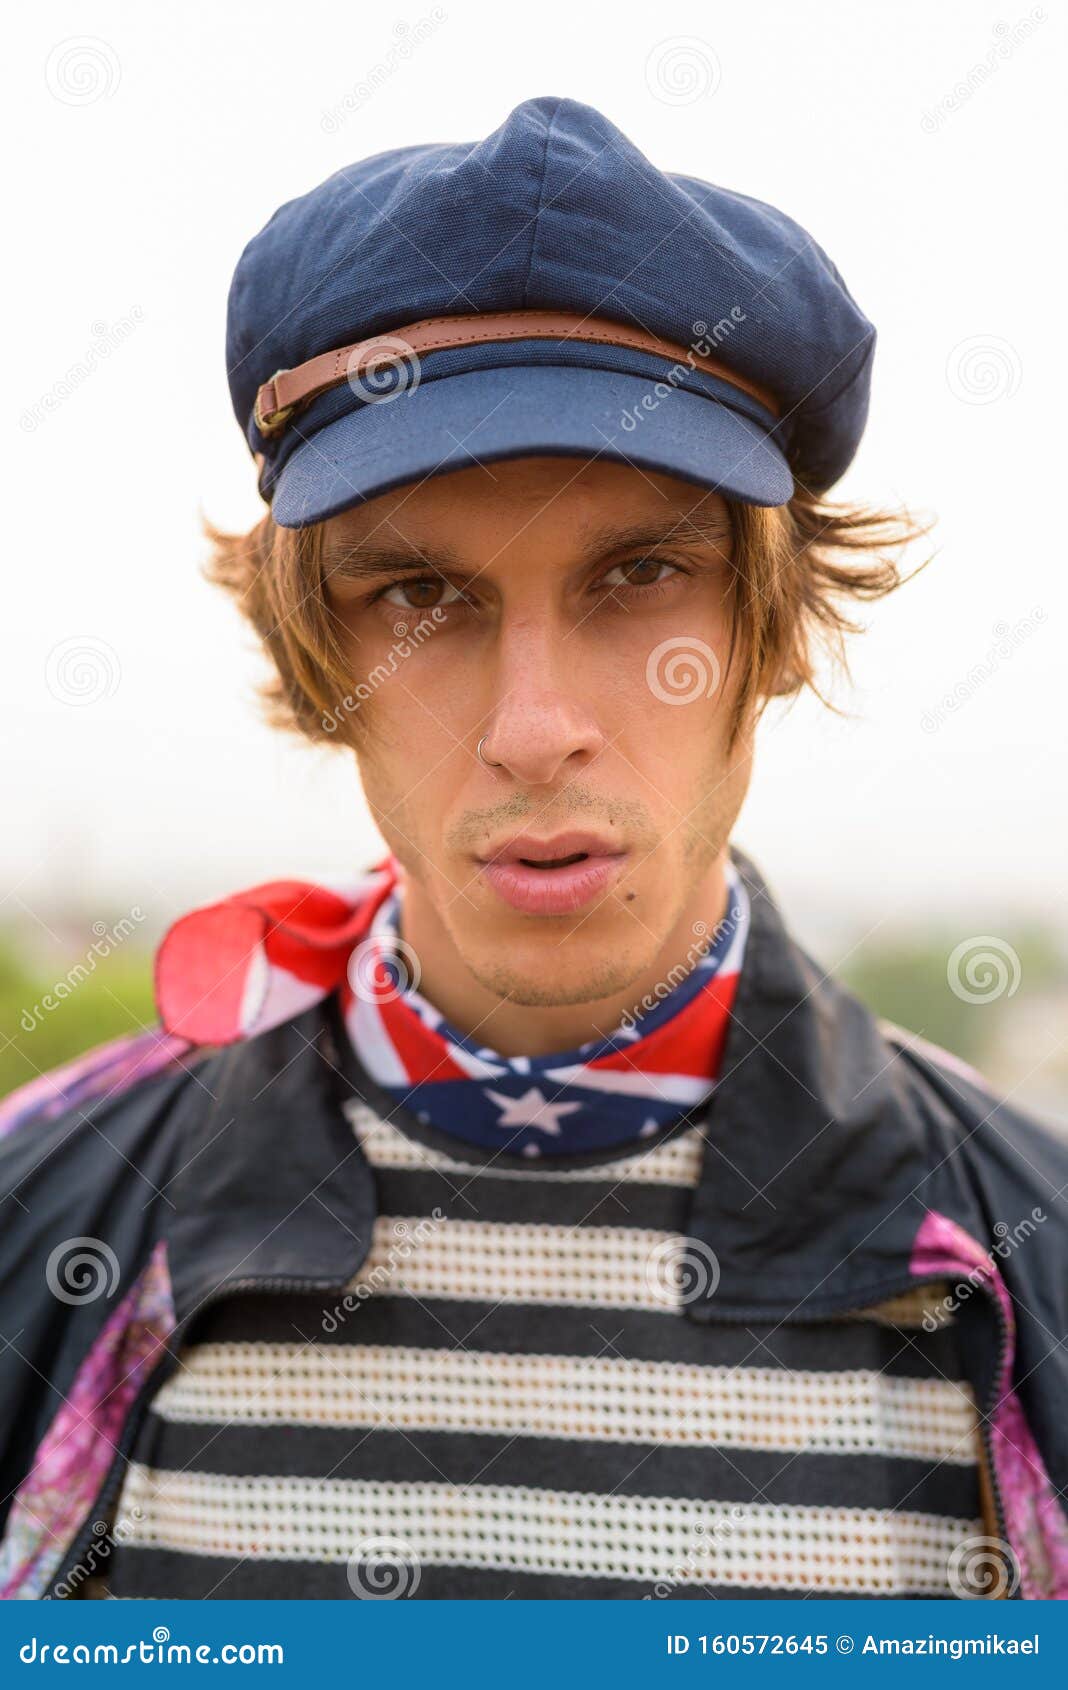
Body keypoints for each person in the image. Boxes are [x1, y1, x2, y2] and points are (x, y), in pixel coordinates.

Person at [2, 96, 1066, 1603]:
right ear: (319, 658)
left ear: (763, 634)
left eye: (641, 574)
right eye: (418, 598)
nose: (534, 725)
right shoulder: (50, 1227)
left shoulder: (1026, 1269)